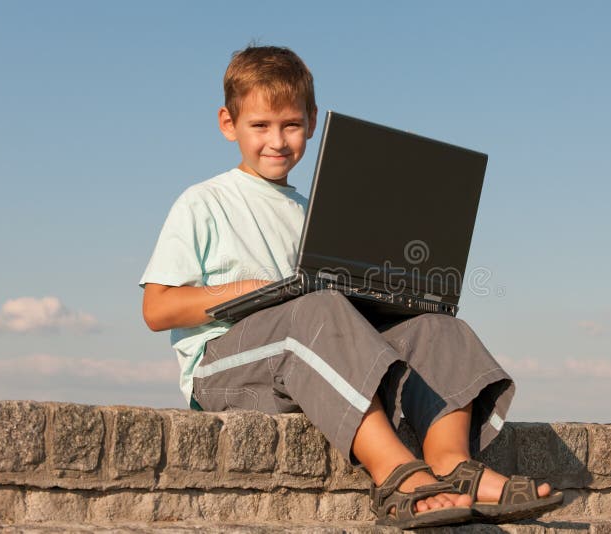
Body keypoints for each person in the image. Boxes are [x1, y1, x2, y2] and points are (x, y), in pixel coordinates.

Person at [140, 45, 562, 529]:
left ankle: (451, 465)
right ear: (228, 123)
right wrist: (249, 291)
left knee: (435, 327)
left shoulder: (316, 210)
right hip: (224, 369)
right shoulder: (204, 202)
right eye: (260, 126)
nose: (276, 140)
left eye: (291, 125)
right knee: (314, 309)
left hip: (308, 353)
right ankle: (396, 473)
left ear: (313, 121)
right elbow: (157, 309)